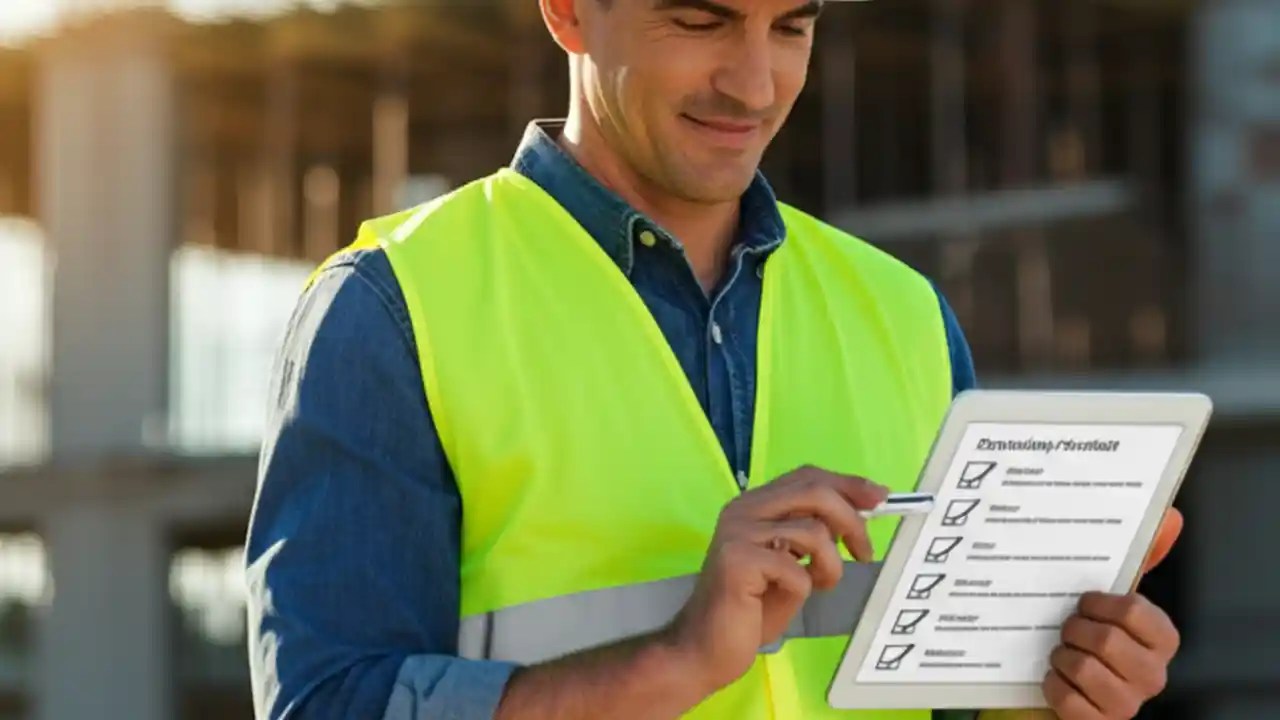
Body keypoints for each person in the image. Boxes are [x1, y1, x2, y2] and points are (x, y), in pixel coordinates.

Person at [245, 1, 1183, 718]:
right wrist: (673, 663)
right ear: (568, 9)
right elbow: (327, 702)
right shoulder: (392, 307)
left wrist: (1061, 693)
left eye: (790, 27)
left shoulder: (906, 316)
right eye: (700, 21)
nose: (756, 84)